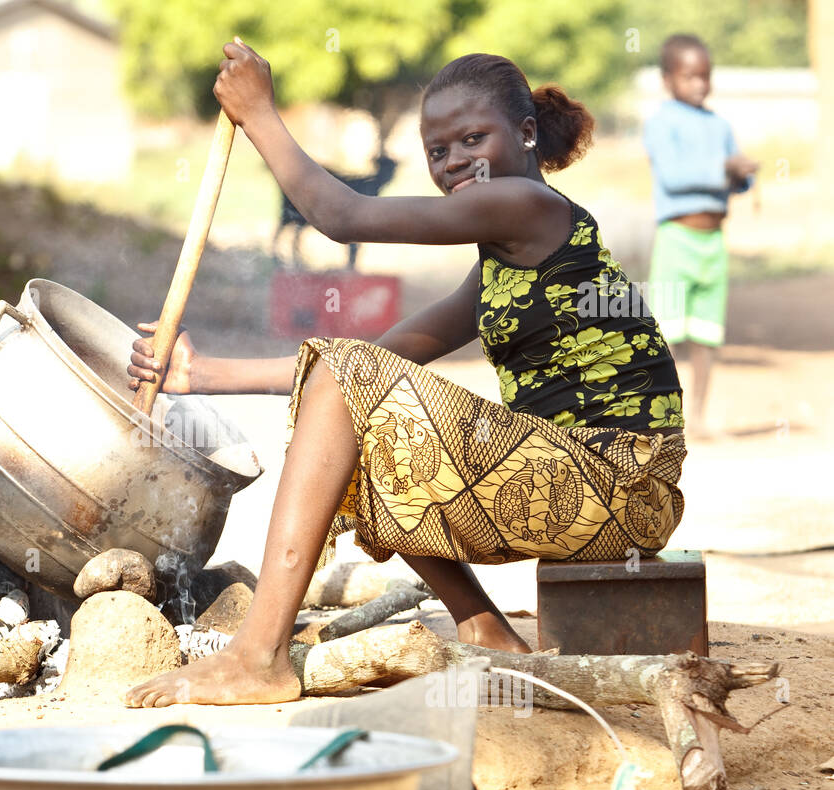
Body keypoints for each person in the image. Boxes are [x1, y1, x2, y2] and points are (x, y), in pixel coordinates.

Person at [124, 43, 688, 707]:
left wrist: (260, 116)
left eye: (472, 139)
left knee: (355, 388)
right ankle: (487, 632)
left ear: (526, 133)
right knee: (359, 409)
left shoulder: (527, 207)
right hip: (589, 483)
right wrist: (206, 372)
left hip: (625, 483)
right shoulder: (504, 265)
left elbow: (343, 217)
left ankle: (259, 654)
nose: (454, 162)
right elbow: (366, 366)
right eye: (438, 150)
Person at [643, 34, 757, 439]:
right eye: (689, 76)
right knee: (667, 333)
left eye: (705, 76)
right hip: (677, 239)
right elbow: (673, 179)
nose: (699, 84)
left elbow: (736, 183)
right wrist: (724, 167)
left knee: (708, 333)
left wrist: (744, 174)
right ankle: (664, 422)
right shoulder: (661, 122)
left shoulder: (719, 124)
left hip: (714, 243)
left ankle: (701, 418)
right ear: (667, 78)